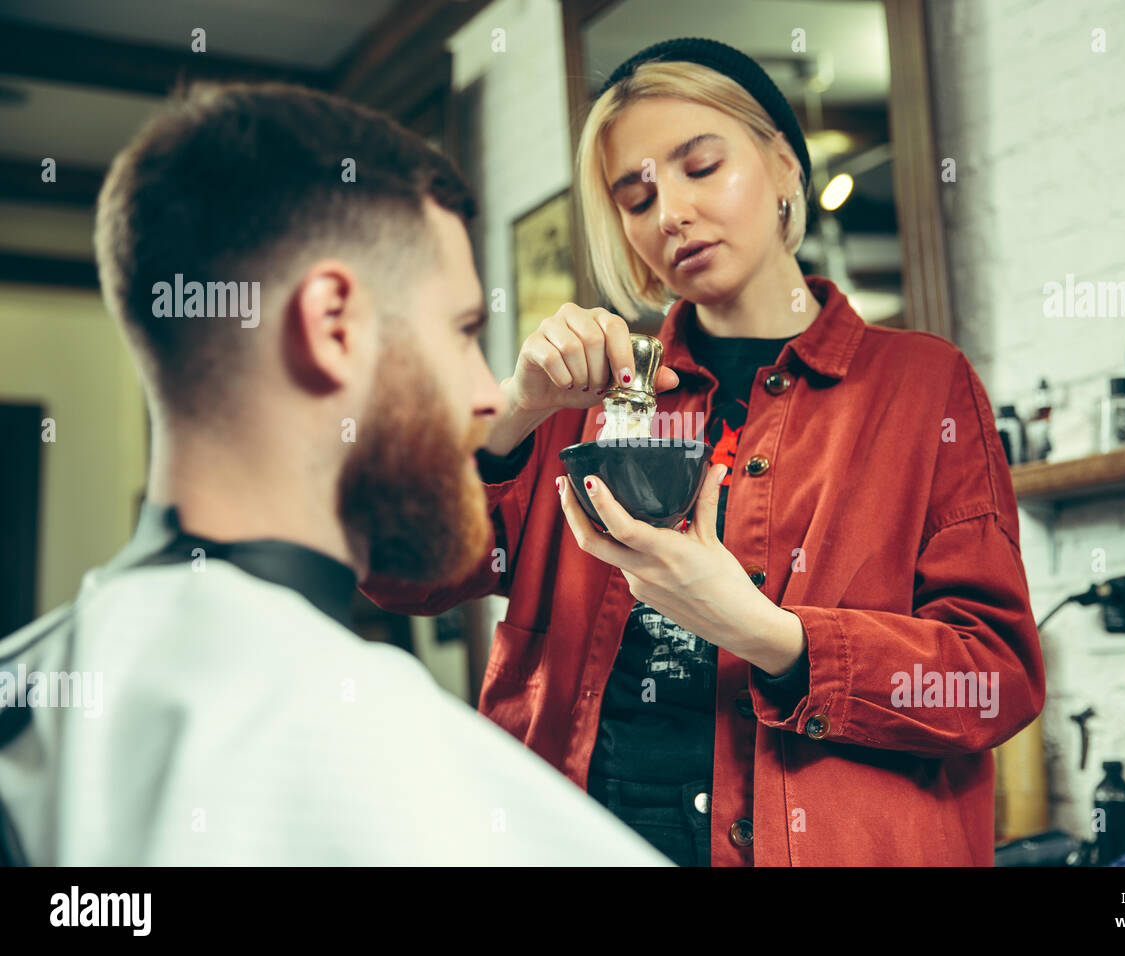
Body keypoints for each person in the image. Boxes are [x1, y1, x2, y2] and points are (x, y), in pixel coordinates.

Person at [363, 38, 1046, 867]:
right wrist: (514, 410)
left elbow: (992, 681)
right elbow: (396, 572)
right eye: (636, 195)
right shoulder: (587, 402)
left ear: (786, 167)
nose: (670, 213)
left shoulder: (923, 387)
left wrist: (774, 638)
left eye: (700, 166)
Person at [0, 82, 671, 866]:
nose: (490, 395)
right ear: (332, 326)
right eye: (461, 334)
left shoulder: (33, 689)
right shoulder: (399, 766)